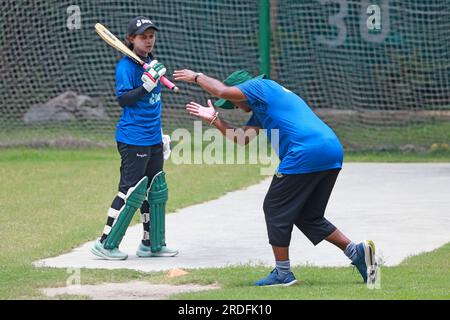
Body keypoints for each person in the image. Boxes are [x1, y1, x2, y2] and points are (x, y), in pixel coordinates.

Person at [173, 69, 377, 286]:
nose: (237, 108)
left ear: (242, 92)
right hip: (330, 150)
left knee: (274, 207)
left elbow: (222, 91)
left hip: (304, 151)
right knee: (308, 216)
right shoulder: (264, 105)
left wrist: (196, 76)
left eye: (235, 103)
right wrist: (215, 119)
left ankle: (282, 273)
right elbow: (242, 139)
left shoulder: (259, 87)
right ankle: (356, 253)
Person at [91, 16, 178, 260]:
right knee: (130, 191)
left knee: (155, 190)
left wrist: (160, 134)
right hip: (133, 138)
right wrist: (145, 87)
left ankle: (152, 244)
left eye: (151, 36)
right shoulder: (126, 67)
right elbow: (123, 100)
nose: (149, 40)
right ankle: (105, 244)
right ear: (131, 39)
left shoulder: (150, 62)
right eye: (143, 37)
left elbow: (154, 105)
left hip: (151, 137)